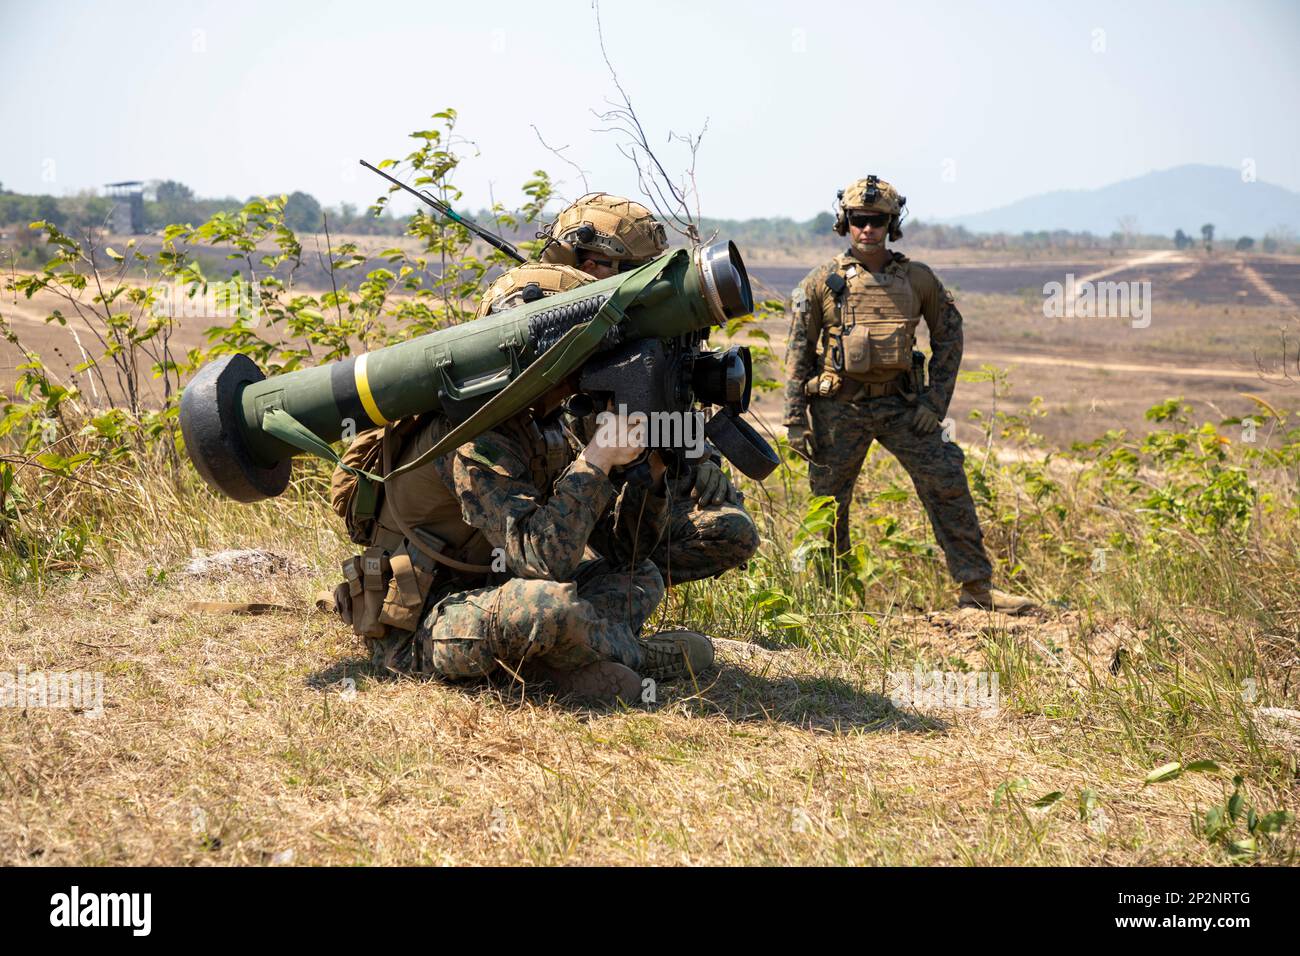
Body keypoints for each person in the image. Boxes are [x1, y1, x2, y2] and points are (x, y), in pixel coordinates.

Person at [783, 175, 1035, 614]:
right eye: (859, 220)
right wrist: (795, 421)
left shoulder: (918, 280)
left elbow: (950, 337)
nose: (867, 229)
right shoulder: (821, 282)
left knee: (947, 481)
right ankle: (833, 603)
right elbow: (797, 351)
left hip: (903, 407)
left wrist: (933, 404)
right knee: (828, 505)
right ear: (845, 221)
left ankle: (976, 587)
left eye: (877, 220)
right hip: (838, 409)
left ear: (891, 223)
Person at [536, 193, 761, 585]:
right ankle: (601, 589)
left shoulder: (641, 331)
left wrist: (700, 460)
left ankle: (624, 587)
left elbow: (672, 406)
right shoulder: (538, 332)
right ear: (590, 264)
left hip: (631, 494)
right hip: (559, 507)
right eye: (636, 272)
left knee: (731, 529)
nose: (649, 286)